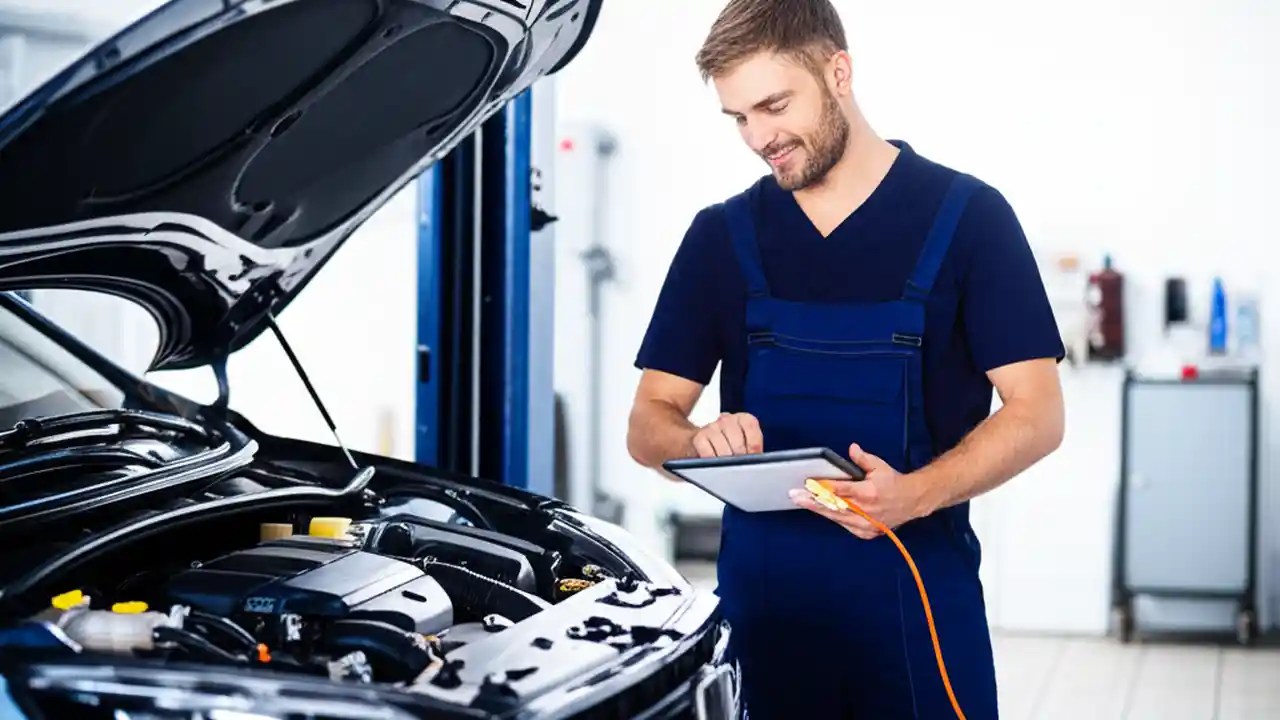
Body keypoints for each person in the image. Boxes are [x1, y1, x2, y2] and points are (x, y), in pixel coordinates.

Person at [625, 0, 1066, 718]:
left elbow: (1039, 413)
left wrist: (915, 493)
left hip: (918, 612)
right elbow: (648, 423)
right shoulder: (721, 237)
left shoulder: (969, 219)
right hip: (765, 621)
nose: (759, 138)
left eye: (774, 106)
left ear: (838, 72)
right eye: (739, 118)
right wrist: (698, 440)